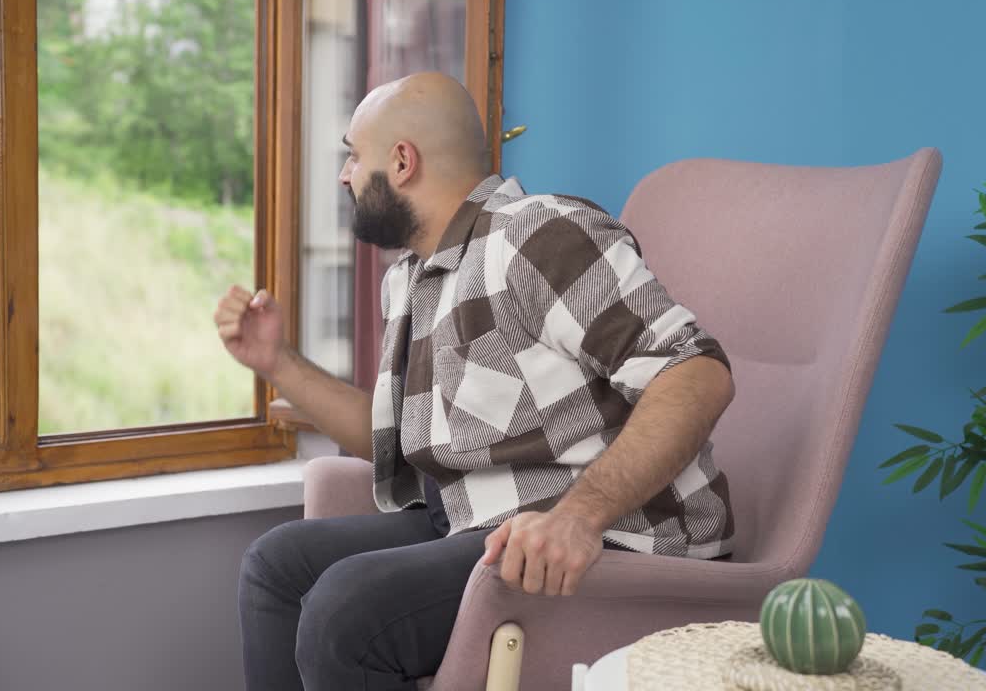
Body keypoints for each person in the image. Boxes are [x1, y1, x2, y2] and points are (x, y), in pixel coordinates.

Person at [216, 72, 735, 691]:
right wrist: (277, 362)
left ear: (402, 161)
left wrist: (578, 518)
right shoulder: (412, 278)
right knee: (276, 565)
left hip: (616, 539)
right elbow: (395, 440)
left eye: (354, 156)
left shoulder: (537, 234)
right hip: (472, 519)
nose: (345, 175)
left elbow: (696, 371)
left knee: (343, 610)